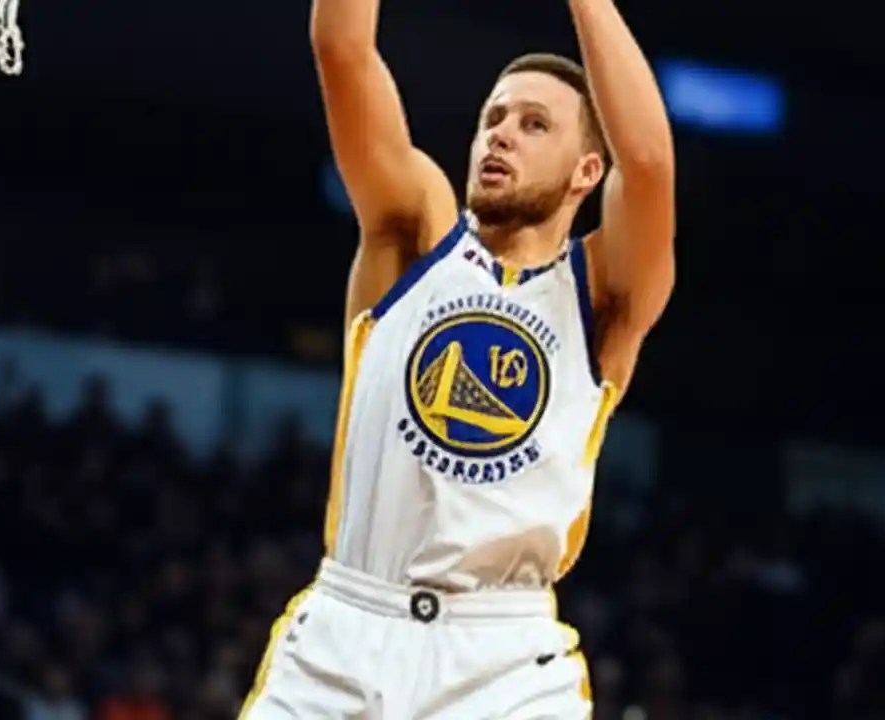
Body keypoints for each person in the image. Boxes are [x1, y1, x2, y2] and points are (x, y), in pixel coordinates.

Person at [240, 0, 675, 715]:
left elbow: (652, 162)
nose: (501, 136)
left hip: (502, 657)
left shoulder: (599, 293)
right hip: (346, 629)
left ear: (586, 171)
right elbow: (341, 46)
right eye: (493, 119)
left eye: (535, 125)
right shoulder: (413, 231)